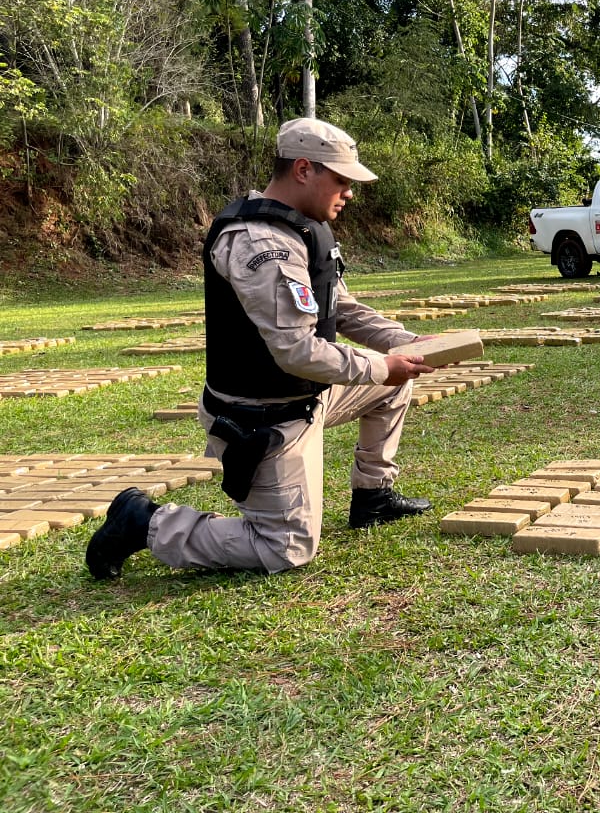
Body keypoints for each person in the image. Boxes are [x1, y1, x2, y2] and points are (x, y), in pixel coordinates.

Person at [87, 118, 438, 580]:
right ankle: (145, 522)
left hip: (307, 396)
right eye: (341, 179)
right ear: (303, 169)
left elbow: (342, 307)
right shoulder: (259, 243)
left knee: (392, 385)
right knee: (285, 549)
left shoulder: (304, 230)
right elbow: (296, 350)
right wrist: (379, 365)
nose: (350, 192)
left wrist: (402, 343)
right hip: (263, 417)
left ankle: (373, 496)